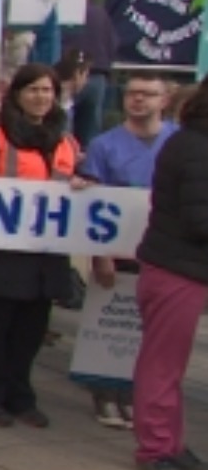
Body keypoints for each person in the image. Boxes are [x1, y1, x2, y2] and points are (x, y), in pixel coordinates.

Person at [0, 63, 77, 428]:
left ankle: (18, 396)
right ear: (18, 95)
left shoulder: (65, 139)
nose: (41, 97)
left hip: (42, 256)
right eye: (33, 90)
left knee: (29, 332)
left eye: (47, 91)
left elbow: (67, 181)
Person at [75, 70, 177, 429]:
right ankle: (105, 394)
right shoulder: (104, 144)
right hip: (117, 249)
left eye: (148, 93)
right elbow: (94, 202)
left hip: (164, 250)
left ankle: (136, 393)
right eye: (133, 93)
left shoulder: (180, 141)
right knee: (110, 323)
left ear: (164, 100)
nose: (139, 99)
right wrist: (100, 256)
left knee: (151, 329)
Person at [130, 79, 208, 470]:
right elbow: (200, 220)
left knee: (170, 364)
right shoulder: (195, 148)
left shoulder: (191, 143)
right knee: (162, 365)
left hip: (179, 268)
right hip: (177, 270)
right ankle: (156, 448)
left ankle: (170, 442)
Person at [64, 4, 121, 149]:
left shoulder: (59, 11)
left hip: (66, 74)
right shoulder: (98, 13)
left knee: (64, 127)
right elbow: (113, 43)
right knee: (90, 132)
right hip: (97, 73)